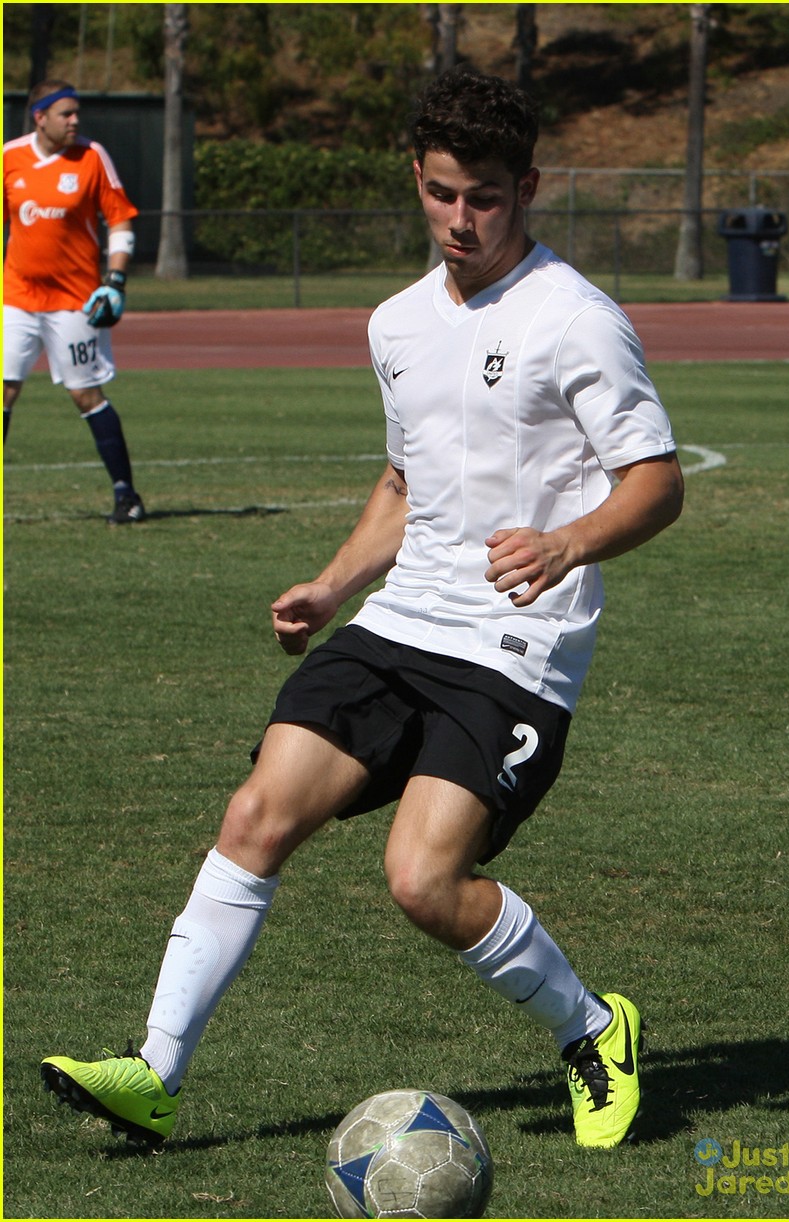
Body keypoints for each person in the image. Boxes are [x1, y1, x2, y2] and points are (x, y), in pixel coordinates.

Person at [41, 67, 683, 1150]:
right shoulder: (394, 323)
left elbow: (657, 478)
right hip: (399, 620)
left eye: (483, 196)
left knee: (423, 881)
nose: (460, 220)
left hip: (515, 642)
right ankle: (155, 1072)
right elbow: (404, 483)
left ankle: (588, 1029)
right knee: (255, 815)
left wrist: (567, 540)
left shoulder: (576, 318)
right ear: (415, 182)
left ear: (525, 188)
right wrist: (334, 585)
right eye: (440, 194)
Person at [3, 79, 145, 524]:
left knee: (85, 394)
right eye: (65, 113)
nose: (75, 120)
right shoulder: (10, 157)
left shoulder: (91, 157)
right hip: (17, 296)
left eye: (76, 112)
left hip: (75, 302)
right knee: (5, 389)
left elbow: (120, 220)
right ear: (39, 117)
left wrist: (116, 279)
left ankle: (127, 496)